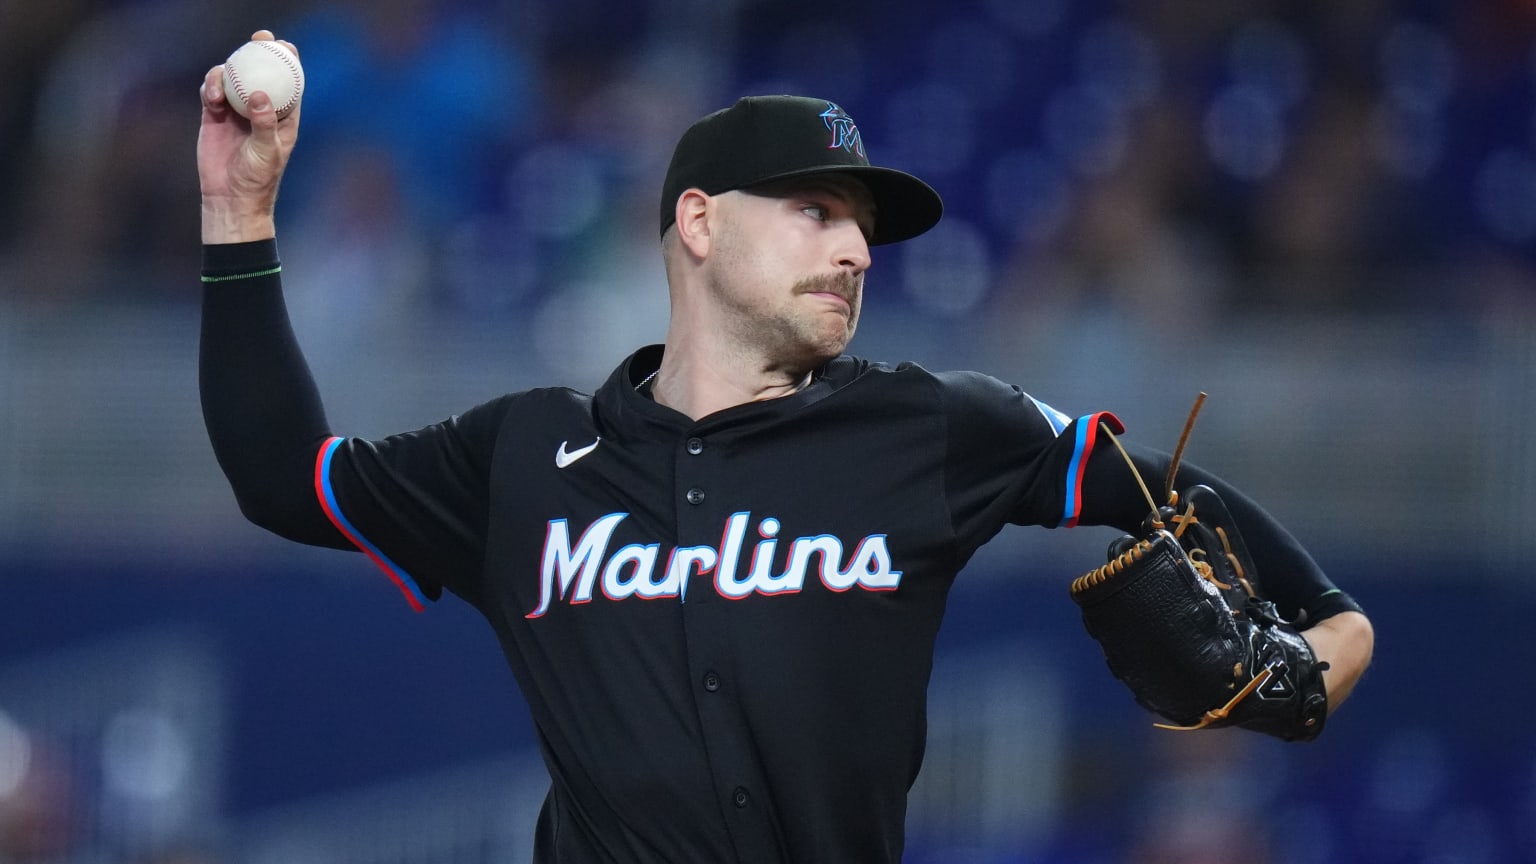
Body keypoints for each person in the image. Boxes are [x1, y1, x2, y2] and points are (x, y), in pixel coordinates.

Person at [196, 31, 1374, 864]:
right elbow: (283, 476)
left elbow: (1162, 489)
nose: (855, 248)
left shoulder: (930, 428)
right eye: (815, 211)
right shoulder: (526, 456)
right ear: (698, 223)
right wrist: (240, 214)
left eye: (864, 226)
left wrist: (1332, 621)